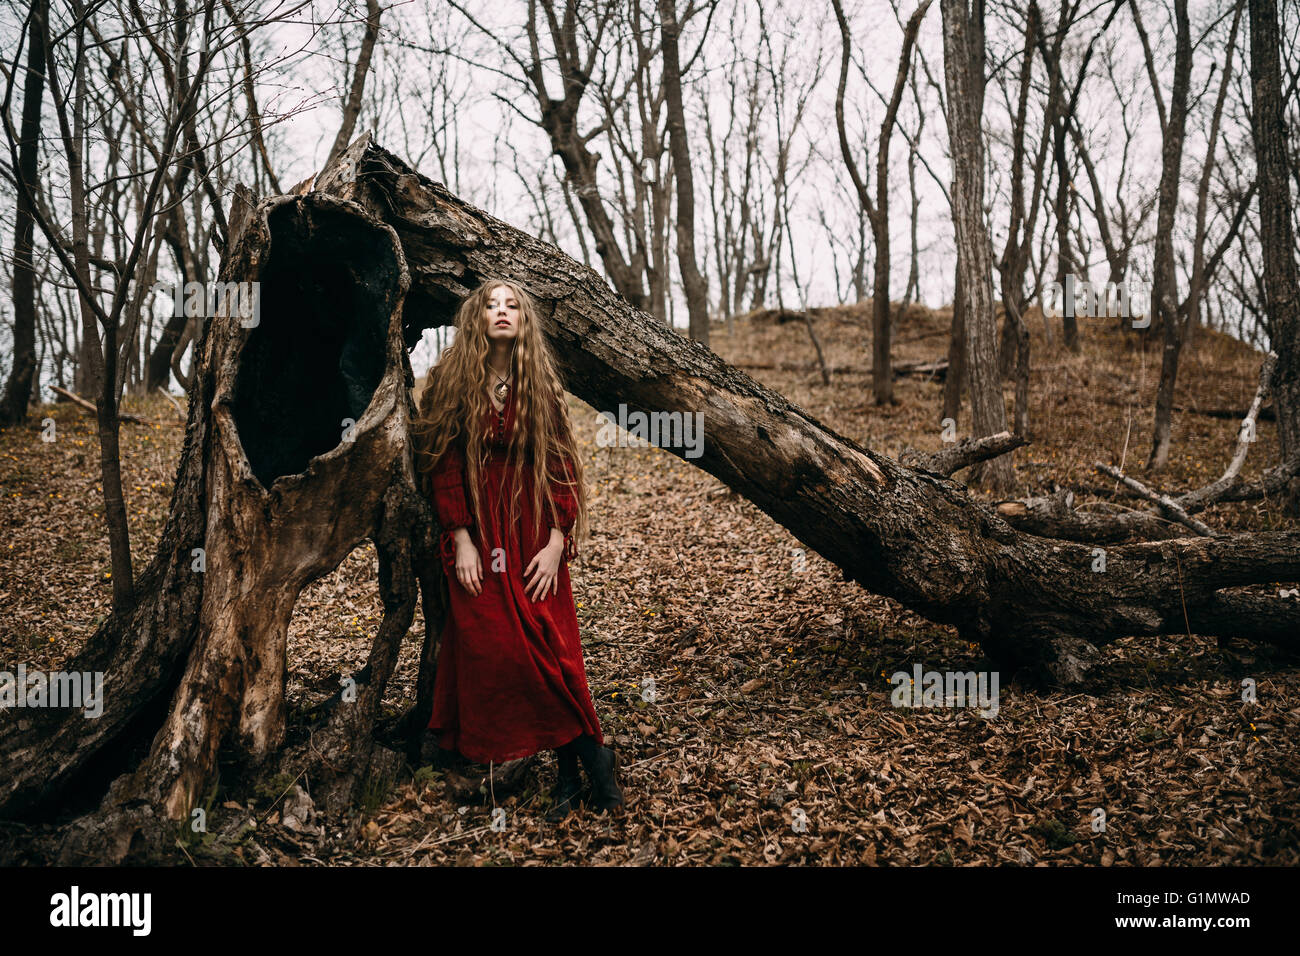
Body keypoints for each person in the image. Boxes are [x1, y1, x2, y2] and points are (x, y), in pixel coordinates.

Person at [412, 277, 624, 820]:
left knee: (551, 650)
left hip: (533, 532)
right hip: (480, 537)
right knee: (501, 650)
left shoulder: (539, 384)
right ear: (475, 319)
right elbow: (442, 461)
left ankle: (570, 779)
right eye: (491, 305)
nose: (502, 312)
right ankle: (594, 757)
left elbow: (560, 465)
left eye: (512, 305)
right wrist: (459, 536)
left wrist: (558, 540)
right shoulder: (450, 380)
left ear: (524, 320)